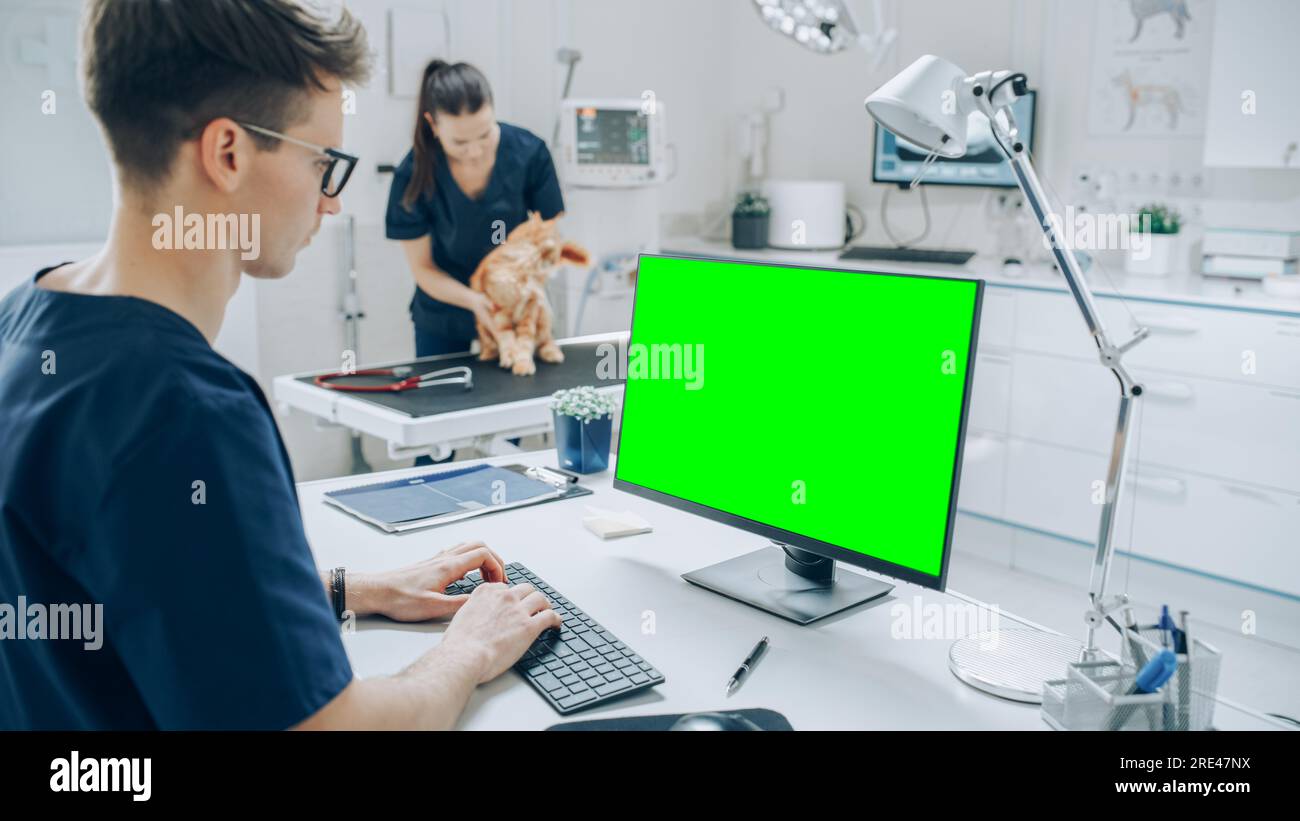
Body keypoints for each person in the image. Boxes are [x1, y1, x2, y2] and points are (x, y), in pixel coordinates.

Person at [0, 0, 559, 731]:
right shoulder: (186, 411)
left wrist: (346, 588)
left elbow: (134, 590)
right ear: (228, 153)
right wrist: (468, 649)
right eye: (322, 162)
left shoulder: (25, 322)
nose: (329, 205)